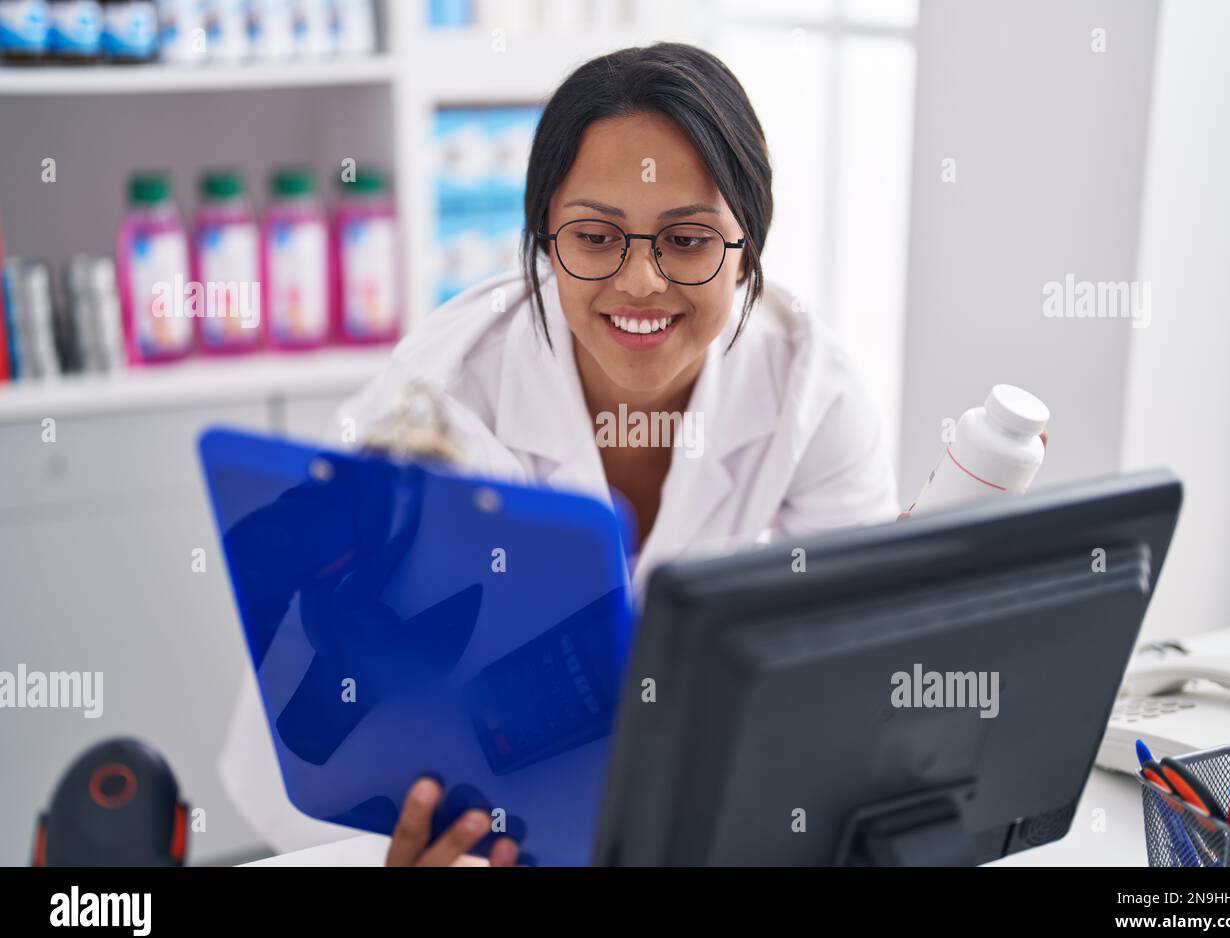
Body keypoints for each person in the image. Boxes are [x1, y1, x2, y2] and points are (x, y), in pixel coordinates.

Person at [219, 42, 898, 866]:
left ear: (748, 247)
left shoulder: (811, 394)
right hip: (387, 800)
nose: (641, 280)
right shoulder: (440, 404)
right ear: (544, 241)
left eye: (686, 240)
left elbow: (847, 656)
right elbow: (344, 691)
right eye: (594, 236)